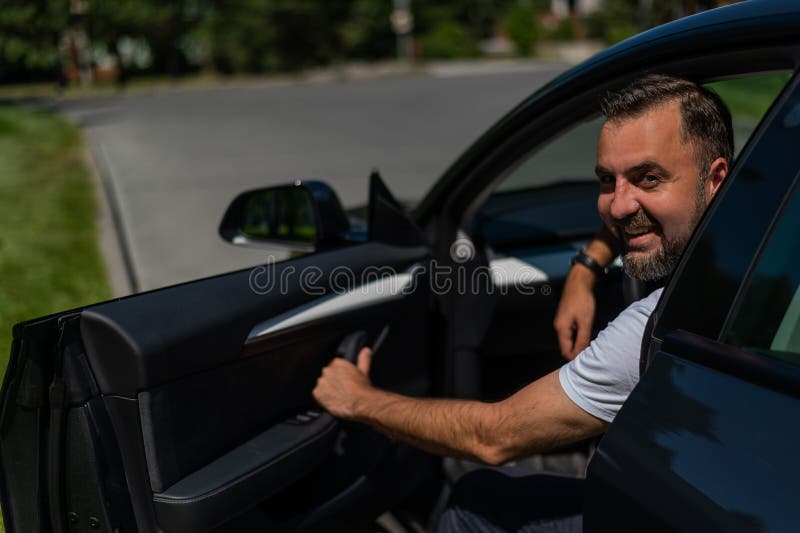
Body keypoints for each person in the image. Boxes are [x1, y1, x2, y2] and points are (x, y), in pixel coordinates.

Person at [312, 74, 734, 531]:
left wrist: (360, 400)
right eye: (607, 181)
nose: (618, 207)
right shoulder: (768, 234)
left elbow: (494, 435)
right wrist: (586, 267)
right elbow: (639, 215)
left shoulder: (658, 330)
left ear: (715, 179)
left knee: (474, 504)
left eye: (648, 177)